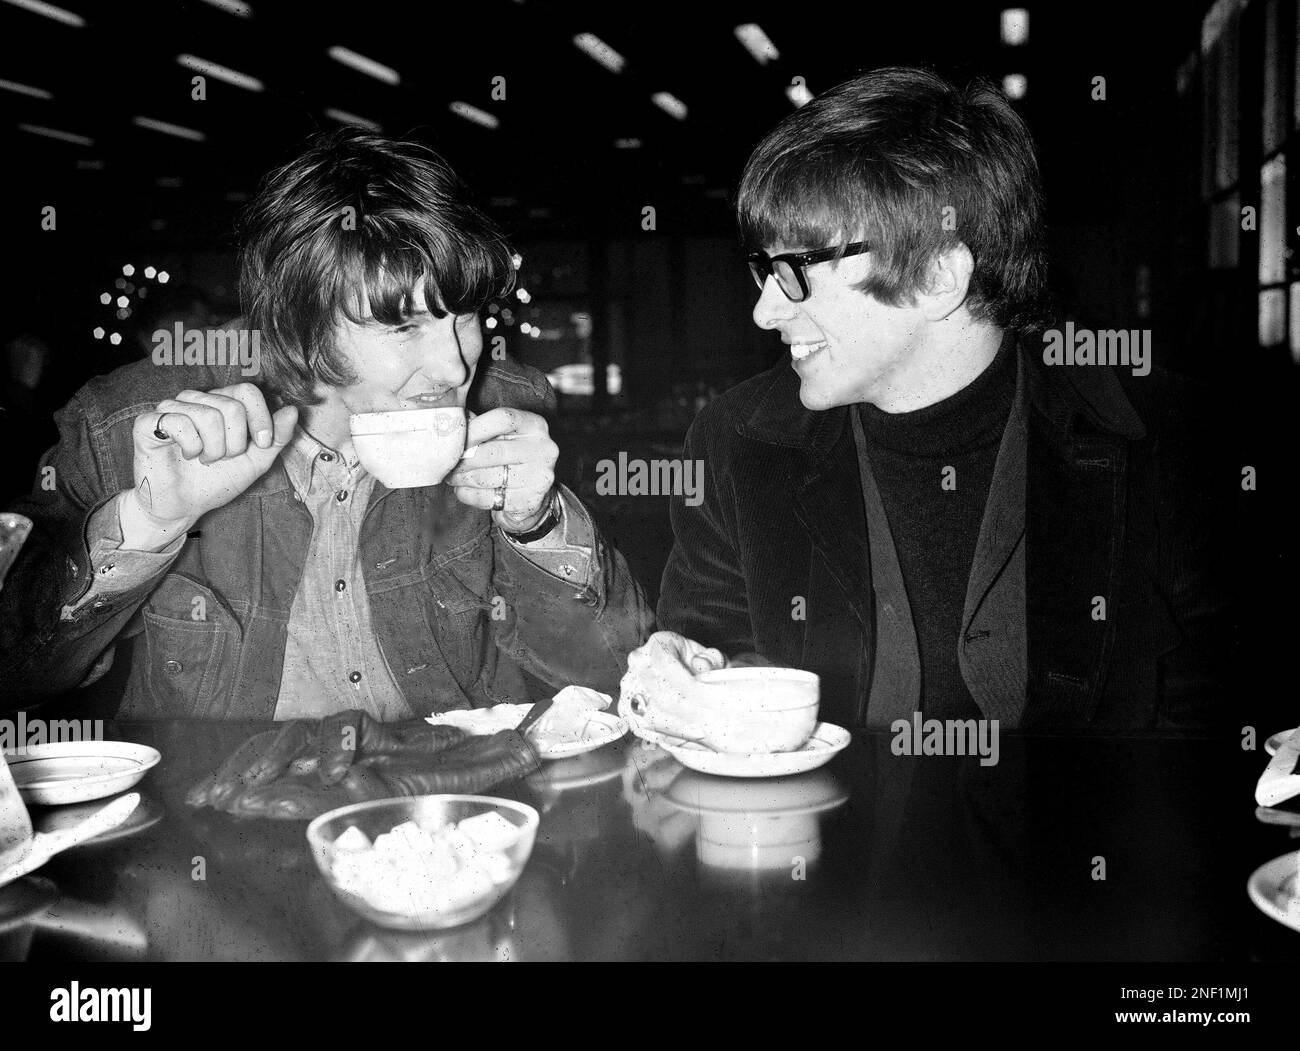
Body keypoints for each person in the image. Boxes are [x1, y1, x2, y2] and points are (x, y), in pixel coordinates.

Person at [628, 66, 1227, 735]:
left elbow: (1220, 720)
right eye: (763, 269)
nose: (765, 310)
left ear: (939, 275)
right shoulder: (738, 443)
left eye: (795, 270)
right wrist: (685, 677)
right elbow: (711, 645)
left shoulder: (1170, 440)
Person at [0, 127, 653, 719]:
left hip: (447, 817)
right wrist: (152, 519)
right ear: (300, 329)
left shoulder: (506, 411)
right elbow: (15, 675)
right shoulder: (136, 425)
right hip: (218, 830)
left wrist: (537, 522)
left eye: (465, 315)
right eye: (403, 326)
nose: (455, 366)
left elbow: (622, 671)